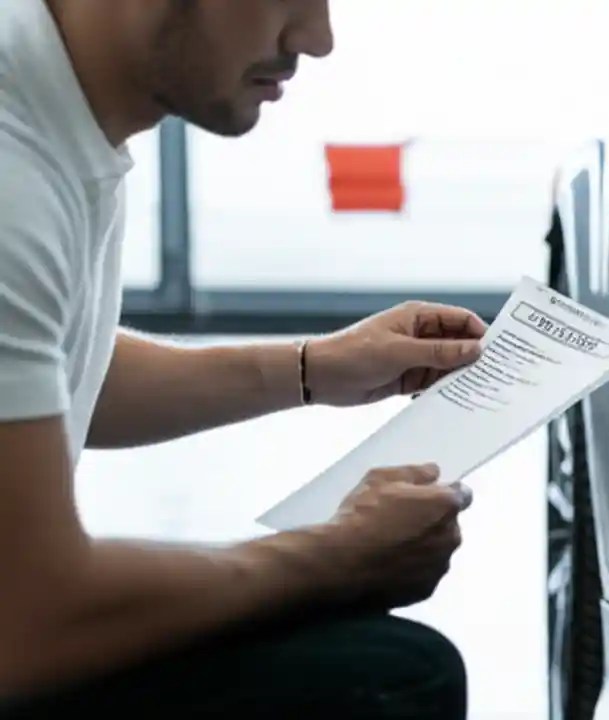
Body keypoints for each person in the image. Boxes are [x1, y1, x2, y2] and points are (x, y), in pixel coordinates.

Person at [0, 1, 486, 716]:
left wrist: (315, 366)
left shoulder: (51, 114)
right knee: (390, 675)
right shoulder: (13, 169)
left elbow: (59, 375)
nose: (315, 40)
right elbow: (26, 617)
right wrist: (337, 558)